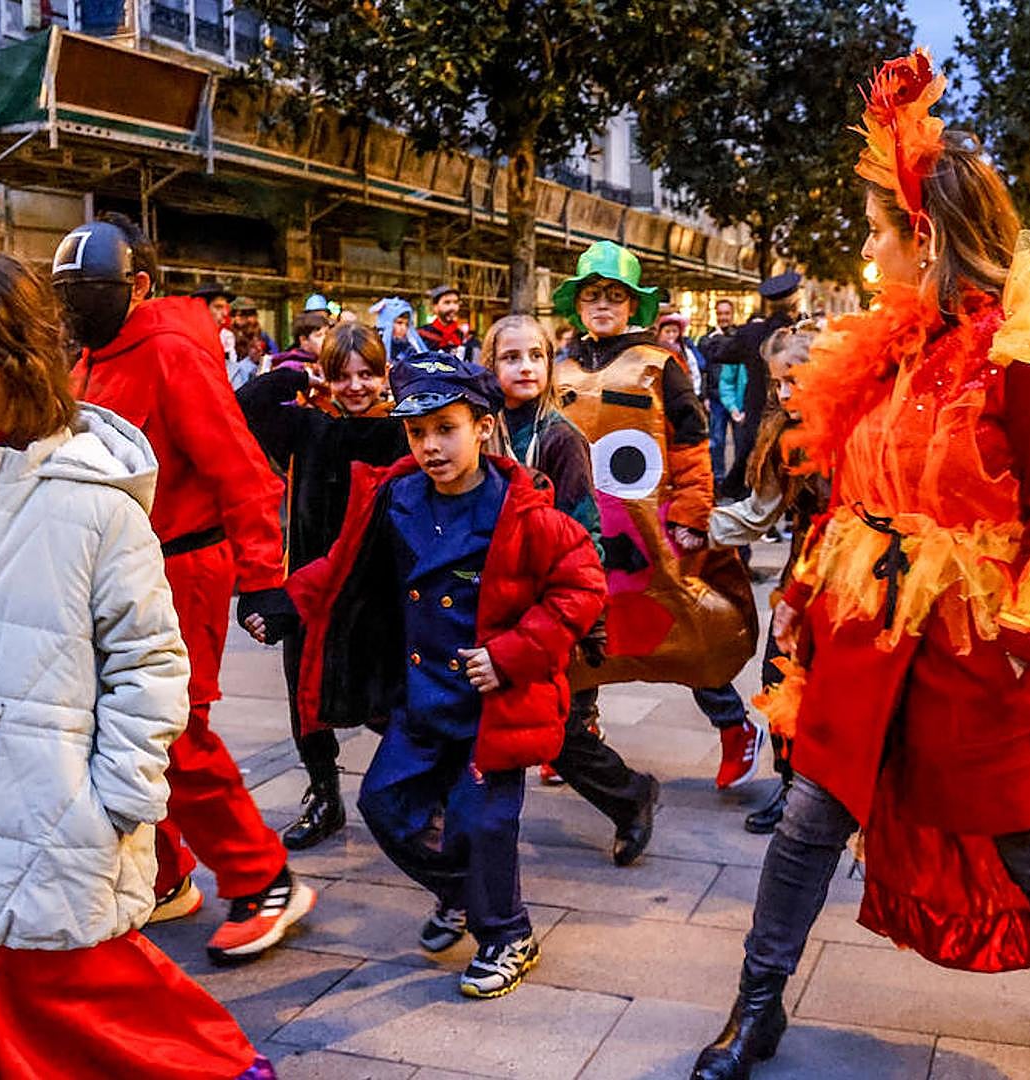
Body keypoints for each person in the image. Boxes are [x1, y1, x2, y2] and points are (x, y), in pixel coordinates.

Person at [691, 53, 1030, 1080]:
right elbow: (849, 495)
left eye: (879, 228)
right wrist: (802, 600)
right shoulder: (886, 347)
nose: (868, 247)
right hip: (867, 634)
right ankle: (756, 1010)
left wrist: (1019, 648)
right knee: (804, 825)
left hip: (982, 649)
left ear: (923, 236)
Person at [0, 253, 274, 1080]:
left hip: (49, 791)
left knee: (77, 979)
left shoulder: (92, 503)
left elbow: (149, 665)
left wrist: (120, 798)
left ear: (21, 366)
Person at [271, 352, 606, 1000]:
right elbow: (343, 568)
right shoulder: (394, 497)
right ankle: (462, 893)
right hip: (420, 700)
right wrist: (286, 602)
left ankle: (508, 933)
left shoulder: (522, 508)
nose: (430, 445)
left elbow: (583, 583)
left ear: (482, 427)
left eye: (444, 428)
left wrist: (512, 653)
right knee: (385, 806)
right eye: (416, 432)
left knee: (484, 824)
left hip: (495, 708)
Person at [55, 215, 315, 964]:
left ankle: (264, 879)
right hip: (123, 572)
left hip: (183, 569)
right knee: (124, 732)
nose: (78, 303)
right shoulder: (88, 359)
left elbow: (242, 469)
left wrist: (265, 578)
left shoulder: (170, 352)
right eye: (68, 292)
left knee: (174, 734)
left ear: (137, 285)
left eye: (91, 290)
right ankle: (167, 876)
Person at [551, 241, 766, 793]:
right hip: (579, 529)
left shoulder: (661, 366)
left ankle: (734, 726)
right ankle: (576, 733)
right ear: (579, 305)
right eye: (593, 295)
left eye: (614, 295)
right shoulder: (561, 368)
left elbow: (694, 443)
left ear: (631, 306)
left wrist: (693, 512)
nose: (603, 305)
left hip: (651, 532)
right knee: (580, 627)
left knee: (681, 628)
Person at [483, 314, 660, 865]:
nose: (526, 367)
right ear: (491, 366)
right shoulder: (481, 428)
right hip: (494, 599)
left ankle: (631, 797)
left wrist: (591, 618)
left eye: (535, 355)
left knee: (553, 729)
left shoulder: (561, 437)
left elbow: (586, 533)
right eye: (511, 357)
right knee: (513, 722)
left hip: (548, 604)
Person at [236, 324, 406, 851]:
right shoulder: (307, 427)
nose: (355, 386)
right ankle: (324, 794)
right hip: (307, 589)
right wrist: (292, 374)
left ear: (384, 375)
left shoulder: (400, 431)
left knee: (386, 697)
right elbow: (240, 409)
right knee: (306, 697)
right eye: (341, 375)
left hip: (375, 590)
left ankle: (421, 785)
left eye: (367, 374)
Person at [709, 323, 830, 834]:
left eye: (794, 381)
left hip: (857, 584)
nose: (783, 394)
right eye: (777, 383)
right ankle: (791, 789)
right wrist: (694, 527)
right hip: (801, 575)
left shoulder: (863, 427)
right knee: (779, 679)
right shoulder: (785, 434)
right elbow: (760, 513)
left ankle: (824, 797)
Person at [720, 275, 800, 500]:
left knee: (755, 465)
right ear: (795, 302)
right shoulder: (801, 334)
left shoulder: (751, 333)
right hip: (794, 414)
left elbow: (721, 354)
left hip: (757, 413)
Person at [699, 298, 740, 475]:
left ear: (732, 314)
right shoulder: (706, 339)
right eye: (720, 313)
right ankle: (718, 479)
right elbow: (703, 368)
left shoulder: (739, 336)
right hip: (715, 397)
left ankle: (739, 481)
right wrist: (705, 396)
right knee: (716, 441)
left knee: (741, 442)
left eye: (727, 313)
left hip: (737, 397)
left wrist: (719, 339)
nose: (723, 317)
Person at [417, 283, 477, 362]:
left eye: (455, 302)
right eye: (447, 302)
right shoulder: (422, 335)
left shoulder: (464, 336)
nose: (453, 307)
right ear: (435, 307)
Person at [373, 297, 423, 364]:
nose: (403, 328)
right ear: (386, 323)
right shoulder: (374, 345)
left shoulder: (410, 347)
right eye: (399, 323)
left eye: (407, 324)